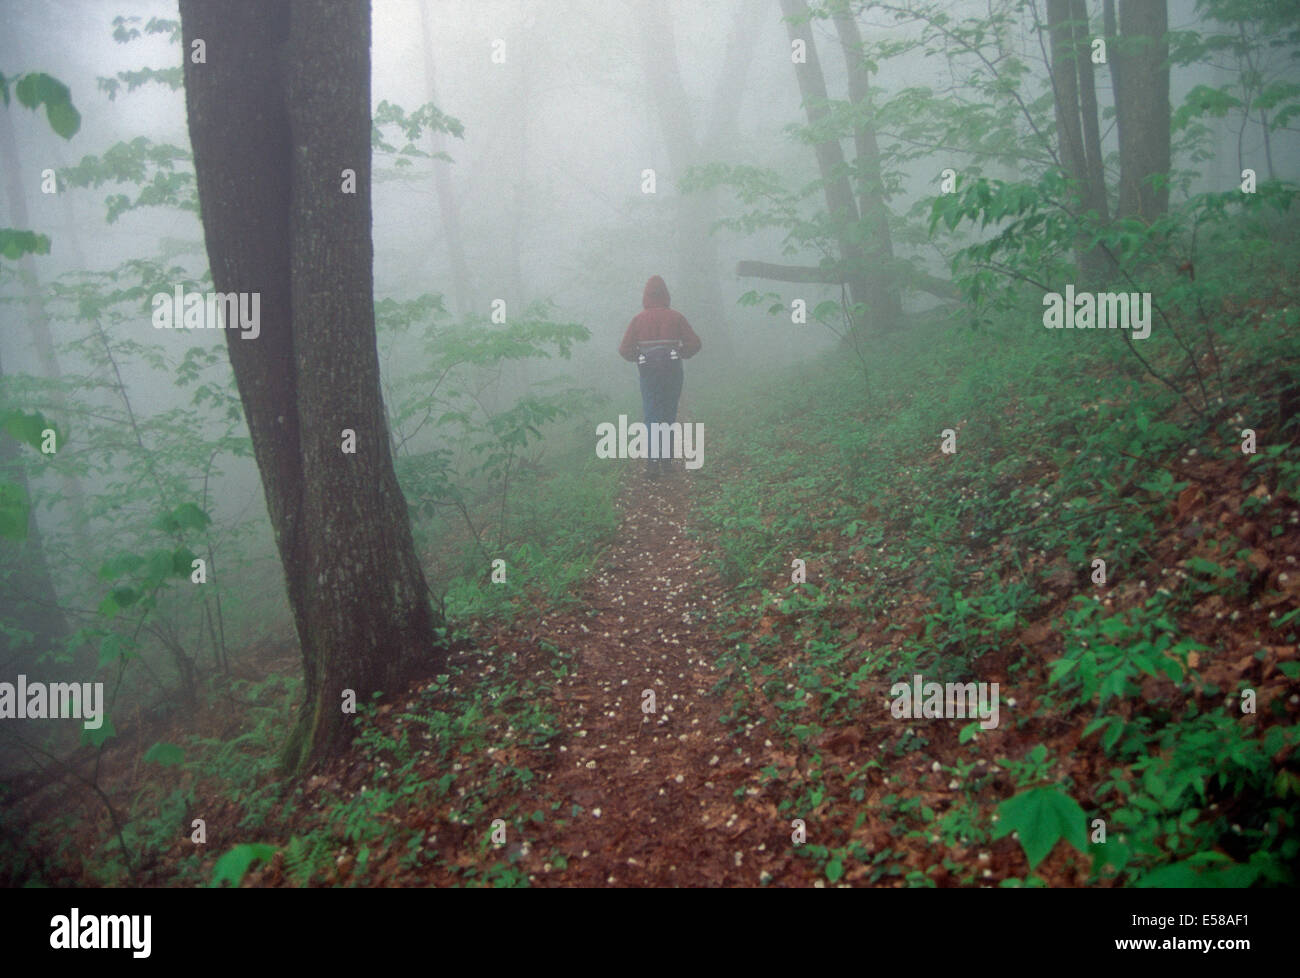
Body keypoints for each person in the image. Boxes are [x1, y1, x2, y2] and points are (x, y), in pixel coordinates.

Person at [618, 275, 702, 477]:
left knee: (652, 413)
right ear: (666, 294)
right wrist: (680, 353)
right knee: (669, 413)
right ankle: (667, 461)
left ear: (645, 296)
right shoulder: (676, 317)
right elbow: (695, 344)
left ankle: (652, 463)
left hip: (649, 375)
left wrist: (639, 357)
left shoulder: (638, 320)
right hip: (672, 372)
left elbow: (624, 349)